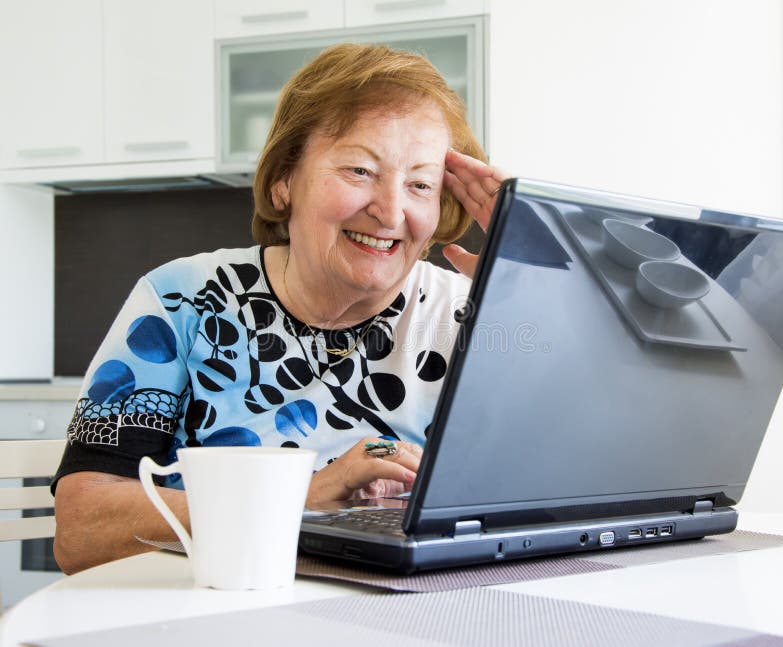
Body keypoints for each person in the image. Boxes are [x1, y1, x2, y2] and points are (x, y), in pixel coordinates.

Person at [52, 43, 509, 574]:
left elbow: (553, 503)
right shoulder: (183, 301)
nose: (390, 210)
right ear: (284, 180)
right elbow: (80, 531)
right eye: (360, 170)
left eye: (420, 184)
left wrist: (537, 294)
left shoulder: (466, 316)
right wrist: (309, 497)